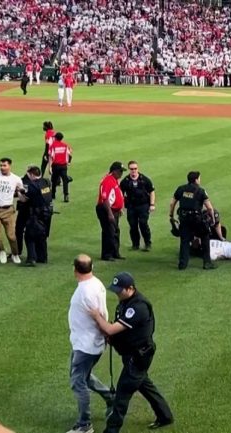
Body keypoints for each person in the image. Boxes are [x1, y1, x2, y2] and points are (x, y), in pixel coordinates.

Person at [88, 272, 174, 433]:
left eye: (120, 290)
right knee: (144, 385)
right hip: (132, 355)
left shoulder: (138, 307)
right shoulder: (125, 302)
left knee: (122, 395)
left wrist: (96, 316)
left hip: (138, 357)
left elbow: (110, 328)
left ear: (130, 288)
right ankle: (165, 416)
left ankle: (111, 430)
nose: (117, 293)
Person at [67, 254, 113, 433]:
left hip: (86, 345)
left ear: (75, 270)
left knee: (78, 382)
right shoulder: (96, 283)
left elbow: (98, 316)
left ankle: (84, 424)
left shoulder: (85, 291)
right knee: (83, 376)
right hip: (86, 342)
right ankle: (111, 397)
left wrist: (105, 334)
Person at [169, 171, 216, 270]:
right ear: (196, 180)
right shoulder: (200, 191)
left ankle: (182, 264)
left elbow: (172, 203)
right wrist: (212, 218)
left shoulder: (181, 189)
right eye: (199, 178)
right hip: (196, 219)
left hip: (184, 218)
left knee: (184, 241)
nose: (200, 180)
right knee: (205, 236)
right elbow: (210, 208)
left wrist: (171, 215)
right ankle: (207, 262)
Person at [0, 158, 24, 264]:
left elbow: (20, 192)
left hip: (8, 210)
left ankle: (15, 254)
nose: (2, 168)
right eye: (1, 165)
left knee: (12, 236)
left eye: (4, 165)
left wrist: (19, 194)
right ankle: (2, 251)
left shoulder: (16, 179)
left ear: (9, 166)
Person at [19, 167, 53, 266]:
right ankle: (42, 257)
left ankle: (31, 259)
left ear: (32, 175)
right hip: (47, 213)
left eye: (29, 175)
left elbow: (24, 199)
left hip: (36, 214)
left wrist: (19, 191)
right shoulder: (45, 182)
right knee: (42, 235)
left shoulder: (32, 185)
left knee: (29, 236)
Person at [119, 161, 155, 252]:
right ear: (129, 170)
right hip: (131, 206)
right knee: (133, 225)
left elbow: (151, 191)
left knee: (143, 224)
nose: (134, 171)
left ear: (138, 169)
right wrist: (120, 207)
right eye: (131, 169)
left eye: (135, 169)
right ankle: (135, 244)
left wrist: (152, 204)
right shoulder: (125, 181)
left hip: (143, 205)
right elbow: (120, 194)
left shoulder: (144, 179)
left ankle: (147, 243)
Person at [96, 162, 126, 261]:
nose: (122, 173)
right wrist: (109, 213)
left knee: (115, 231)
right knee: (109, 232)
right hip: (106, 210)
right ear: (114, 171)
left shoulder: (114, 179)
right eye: (120, 171)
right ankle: (106, 255)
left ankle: (115, 252)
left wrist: (119, 208)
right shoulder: (108, 181)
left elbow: (115, 195)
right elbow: (105, 199)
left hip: (114, 210)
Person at [49, 132, 72, 202]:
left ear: (55, 138)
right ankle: (66, 195)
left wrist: (49, 167)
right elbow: (70, 154)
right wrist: (69, 162)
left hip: (55, 166)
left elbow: (51, 156)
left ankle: (53, 194)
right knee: (65, 180)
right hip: (63, 166)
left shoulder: (52, 146)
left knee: (54, 180)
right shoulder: (65, 145)